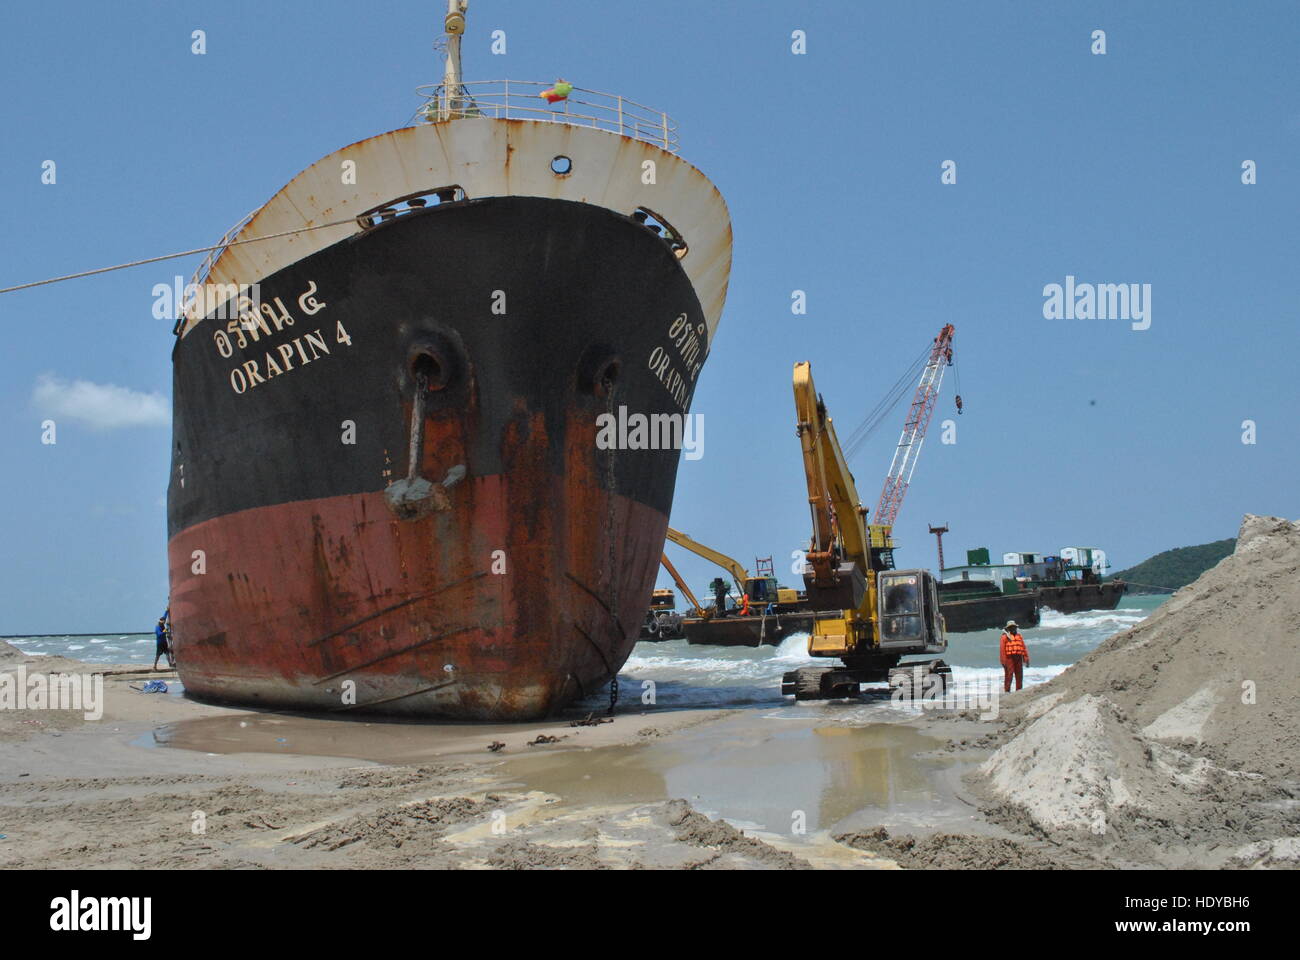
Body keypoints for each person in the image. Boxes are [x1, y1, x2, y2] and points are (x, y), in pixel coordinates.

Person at [999, 620, 1029, 692]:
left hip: (1018, 657)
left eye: (1014, 627)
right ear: (1008, 628)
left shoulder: (1019, 636)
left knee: (1019, 675)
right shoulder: (1004, 637)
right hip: (1009, 658)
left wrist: (1026, 658)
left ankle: (1019, 690)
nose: (1013, 629)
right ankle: (1007, 690)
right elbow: (1002, 650)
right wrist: (1003, 661)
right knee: (1009, 675)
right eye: (1011, 627)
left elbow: (1023, 647)